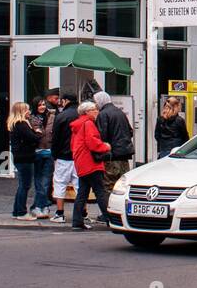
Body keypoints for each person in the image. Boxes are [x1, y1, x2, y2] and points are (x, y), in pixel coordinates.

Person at [71, 100, 112, 229]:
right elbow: (92, 142)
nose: (97, 111)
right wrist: (105, 146)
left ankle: (77, 222)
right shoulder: (88, 123)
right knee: (100, 191)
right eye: (94, 109)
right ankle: (110, 219)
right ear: (87, 112)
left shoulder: (78, 125)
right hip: (91, 162)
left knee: (82, 193)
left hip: (81, 162)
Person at [94, 90, 135, 194]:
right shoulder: (119, 112)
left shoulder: (103, 114)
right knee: (123, 185)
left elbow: (102, 135)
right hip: (124, 154)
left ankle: (109, 208)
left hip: (112, 155)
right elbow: (130, 131)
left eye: (96, 102)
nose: (95, 104)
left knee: (109, 185)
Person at [48, 95, 81, 224]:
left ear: (66, 101)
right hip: (78, 157)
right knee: (80, 186)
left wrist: (54, 154)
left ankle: (60, 213)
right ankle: (82, 213)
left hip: (63, 156)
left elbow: (55, 138)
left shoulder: (61, 116)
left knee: (60, 184)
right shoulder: (81, 115)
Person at [7, 102, 39, 221]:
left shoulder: (14, 124)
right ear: (22, 111)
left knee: (22, 185)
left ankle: (16, 210)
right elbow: (33, 138)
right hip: (25, 157)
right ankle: (21, 212)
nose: (29, 112)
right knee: (25, 185)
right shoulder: (21, 124)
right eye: (27, 110)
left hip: (19, 157)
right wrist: (38, 133)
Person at [29, 97, 55, 218]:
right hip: (36, 152)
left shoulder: (52, 117)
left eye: (44, 104)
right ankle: (41, 206)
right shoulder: (30, 118)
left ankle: (39, 206)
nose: (42, 107)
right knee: (38, 182)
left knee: (46, 182)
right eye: (39, 105)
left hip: (49, 151)